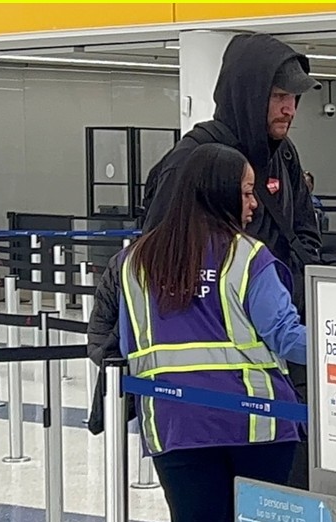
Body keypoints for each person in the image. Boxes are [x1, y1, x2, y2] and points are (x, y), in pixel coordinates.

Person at [89, 33, 323, 490]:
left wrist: (285, 299)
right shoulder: (189, 163)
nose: (289, 109)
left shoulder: (283, 156)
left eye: (294, 98)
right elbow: (157, 262)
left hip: (279, 373)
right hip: (200, 396)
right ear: (248, 94)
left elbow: (305, 235)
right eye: (278, 96)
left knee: (281, 514)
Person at [117, 142, 309, 522]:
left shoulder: (136, 260)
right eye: (245, 192)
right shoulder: (247, 257)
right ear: (219, 193)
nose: (253, 203)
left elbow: (128, 342)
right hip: (257, 428)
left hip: (175, 428)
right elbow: (286, 336)